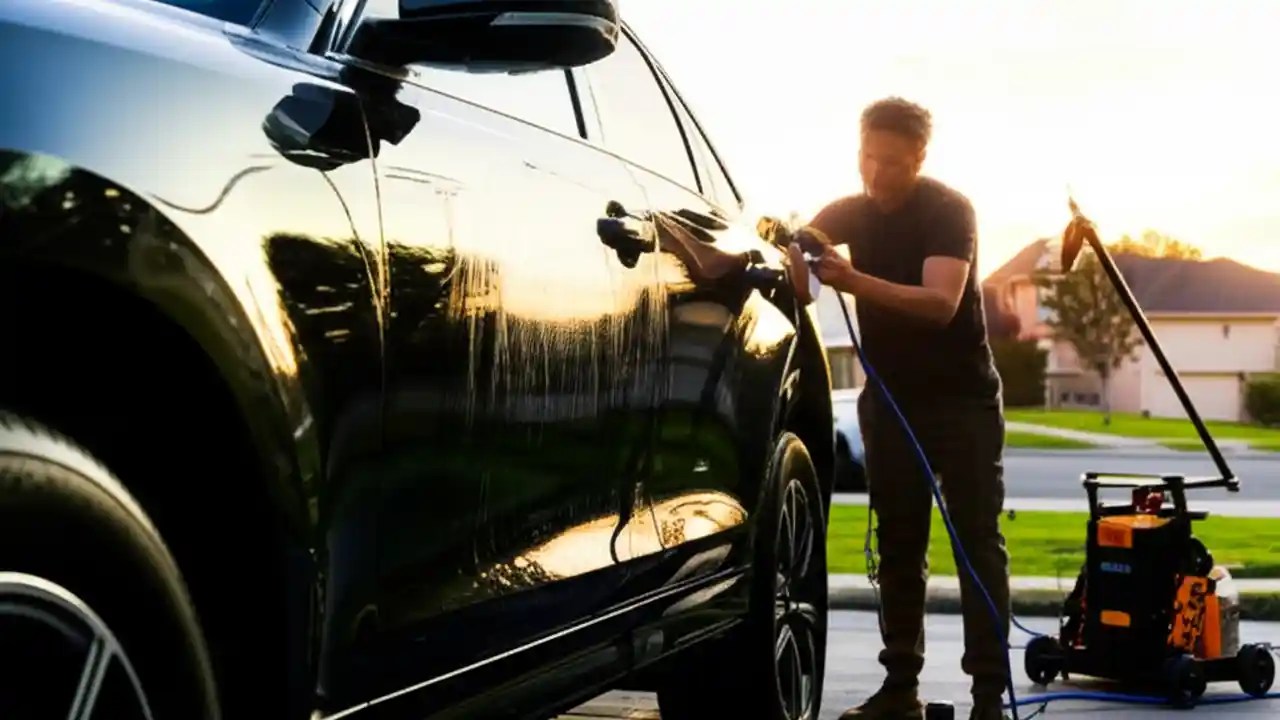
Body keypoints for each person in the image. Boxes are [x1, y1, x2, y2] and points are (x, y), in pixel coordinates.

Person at [798, 97, 1012, 720]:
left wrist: (852, 280)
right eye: (867, 157)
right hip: (891, 401)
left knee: (976, 544)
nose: (876, 173)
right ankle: (900, 690)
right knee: (898, 543)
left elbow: (939, 302)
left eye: (892, 162)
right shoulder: (851, 211)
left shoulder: (949, 211)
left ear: (919, 158)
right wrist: (798, 254)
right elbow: (805, 270)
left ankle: (988, 697)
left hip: (963, 400)